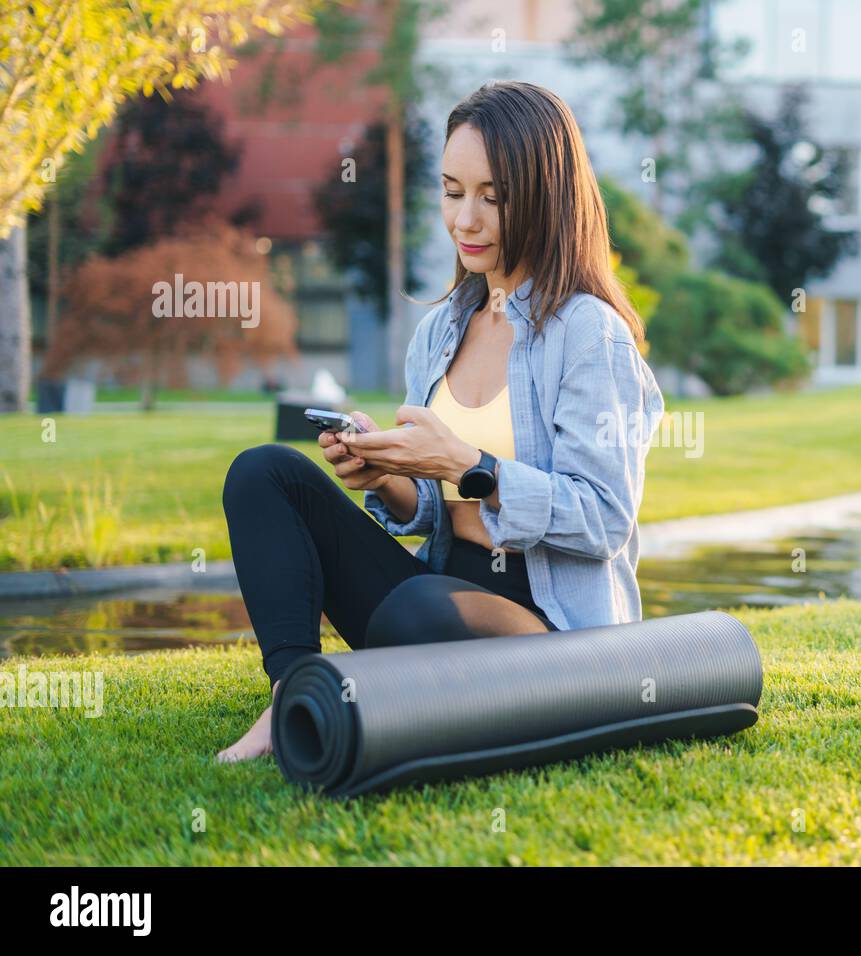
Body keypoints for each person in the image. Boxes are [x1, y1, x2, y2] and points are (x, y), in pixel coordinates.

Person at [217, 80, 664, 762]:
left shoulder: (588, 335)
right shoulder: (441, 329)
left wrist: (468, 465)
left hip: (548, 636)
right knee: (263, 473)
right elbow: (434, 509)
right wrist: (387, 476)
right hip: (437, 595)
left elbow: (604, 519)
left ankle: (369, 685)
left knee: (416, 608)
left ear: (547, 196)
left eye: (494, 196)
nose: (466, 220)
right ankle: (292, 693)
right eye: (453, 191)